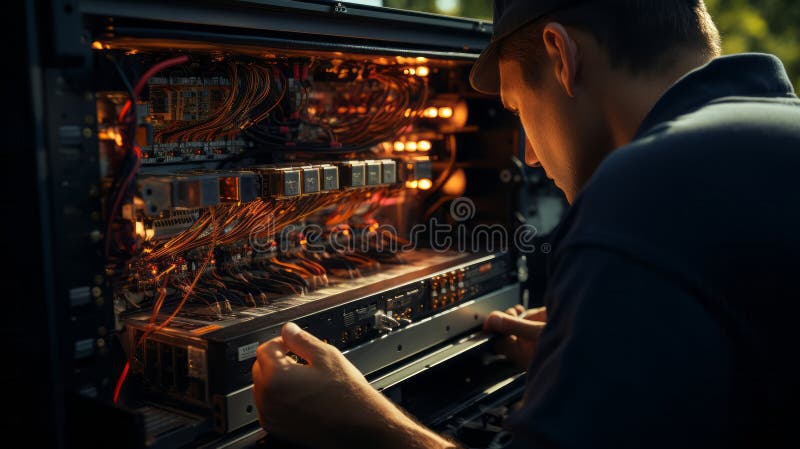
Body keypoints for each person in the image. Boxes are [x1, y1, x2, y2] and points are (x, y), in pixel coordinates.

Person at [251, 0, 800, 447]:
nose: (530, 158)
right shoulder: (772, 134)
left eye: (516, 109)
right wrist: (595, 359)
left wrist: (361, 425)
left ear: (561, 56)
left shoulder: (646, 186)